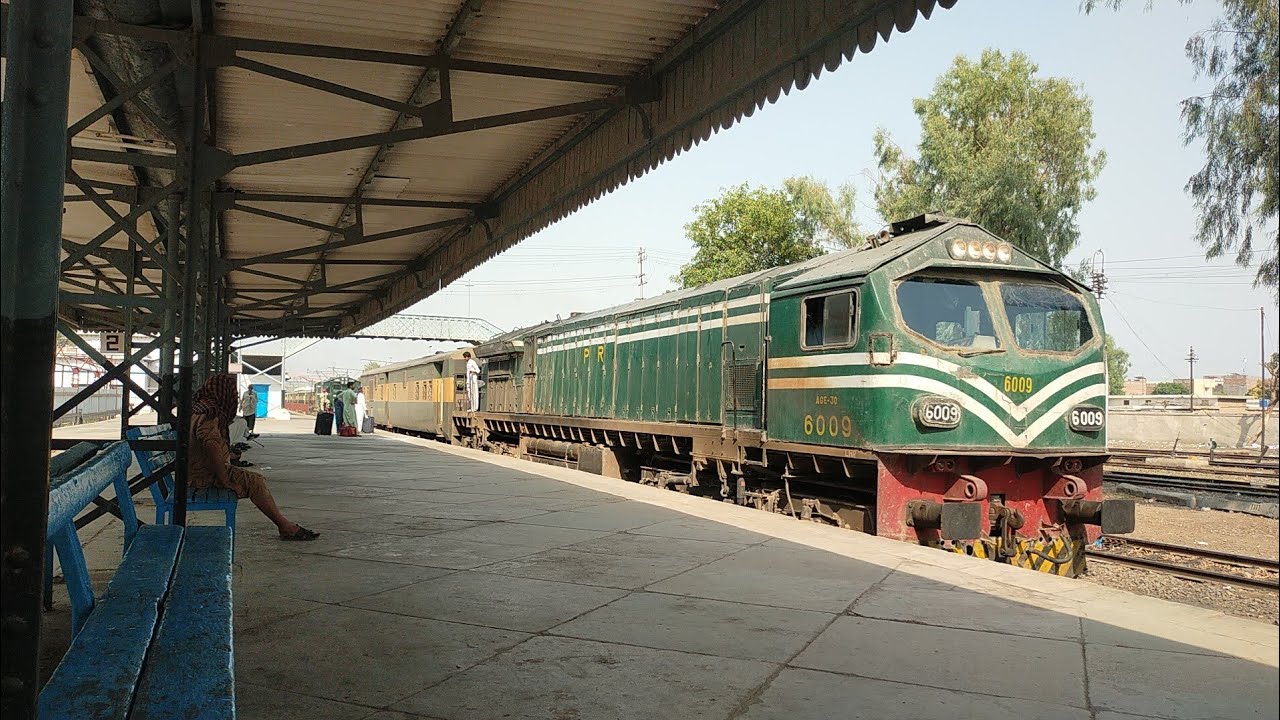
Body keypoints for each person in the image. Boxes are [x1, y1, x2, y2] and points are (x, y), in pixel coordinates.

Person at [188, 373, 318, 540]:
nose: (234, 396)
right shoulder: (211, 414)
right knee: (255, 482)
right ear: (223, 392)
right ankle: (285, 527)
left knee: (253, 478)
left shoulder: (200, 408)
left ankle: (284, 525)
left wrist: (229, 454)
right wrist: (226, 481)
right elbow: (211, 447)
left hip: (194, 470)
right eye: (232, 392)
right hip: (202, 475)